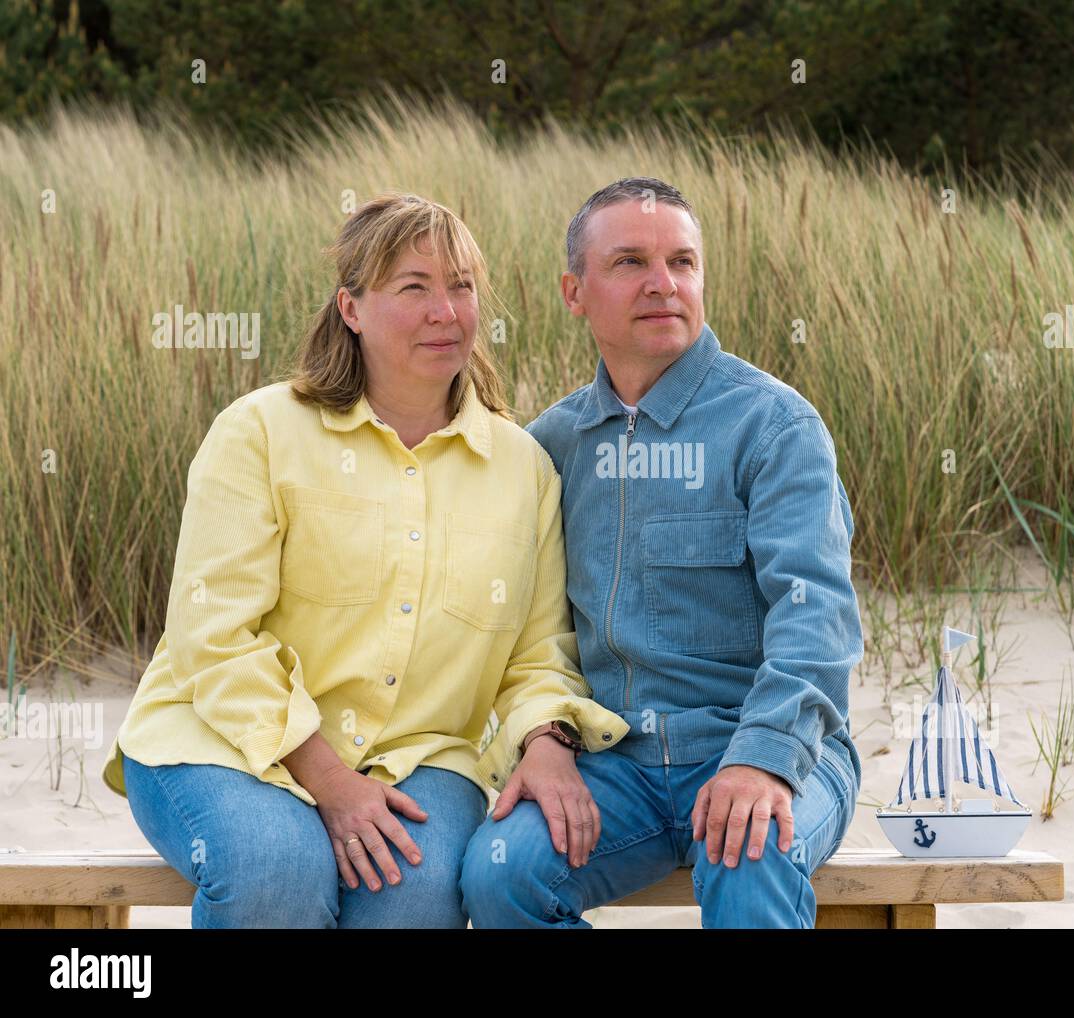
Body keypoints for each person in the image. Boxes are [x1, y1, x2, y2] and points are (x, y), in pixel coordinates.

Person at [100, 192, 628, 928]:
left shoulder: (524, 469)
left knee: (413, 895)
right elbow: (211, 635)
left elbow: (538, 657)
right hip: (221, 740)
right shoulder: (260, 432)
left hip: (420, 758)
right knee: (276, 875)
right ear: (351, 308)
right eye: (414, 288)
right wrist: (331, 781)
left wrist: (545, 739)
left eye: (462, 287)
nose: (446, 312)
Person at [459, 177, 862, 928]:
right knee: (498, 874)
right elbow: (527, 637)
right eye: (631, 264)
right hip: (620, 769)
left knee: (749, 855)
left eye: (682, 262)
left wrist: (761, 758)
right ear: (574, 292)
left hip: (770, 747)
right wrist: (543, 740)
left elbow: (819, 619)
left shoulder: (774, 427)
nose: (663, 285)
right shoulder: (552, 446)